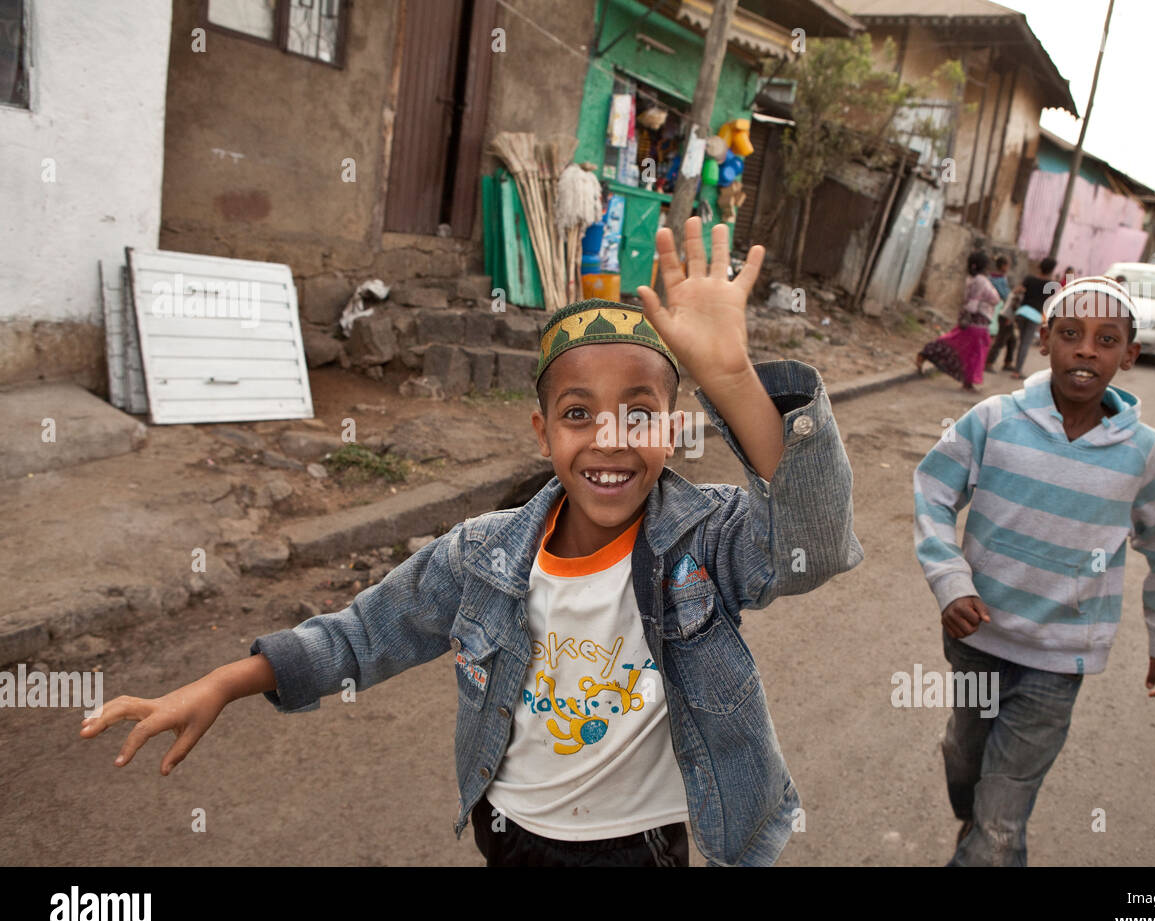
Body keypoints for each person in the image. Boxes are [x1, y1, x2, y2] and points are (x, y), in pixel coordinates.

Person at [79, 218, 865, 867]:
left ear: (672, 426)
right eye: (578, 413)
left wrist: (731, 378)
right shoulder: (482, 555)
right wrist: (225, 681)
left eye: (639, 411)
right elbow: (364, 636)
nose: (609, 440)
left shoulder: (704, 542)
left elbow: (811, 543)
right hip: (511, 834)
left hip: (641, 848)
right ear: (543, 431)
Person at [913, 275, 1155, 866]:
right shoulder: (994, 420)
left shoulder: (1144, 454)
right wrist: (950, 581)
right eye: (1071, 334)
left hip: (1058, 660)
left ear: (1130, 354)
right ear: (1044, 340)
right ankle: (975, 825)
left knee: (1001, 818)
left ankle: (984, 840)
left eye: (1106, 339)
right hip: (976, 642)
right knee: (964, 759)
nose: (1087, 349)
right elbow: (933, 493)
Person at [915, 250, 1002, 391]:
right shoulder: (980, 280)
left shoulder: (974, 279)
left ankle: (967, 381)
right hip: (977, 320)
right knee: (971, 349)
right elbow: (975, 301)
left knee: (962, 345)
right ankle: (927, 354)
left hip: (976, 320)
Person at [1009, 256, 1057, 378]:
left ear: (1040, 266)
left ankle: (1004, 362)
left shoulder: (1029, 278)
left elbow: (1017, 291)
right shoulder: (1051, 285)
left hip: (1021, 312)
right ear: (1052, 270)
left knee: (1014, 337)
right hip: (1034, 316)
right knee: (1025, 343)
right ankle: (1016, 371)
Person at [984, 255, 1018, 373]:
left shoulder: (992, 277)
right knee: (999, 338)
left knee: (1011, 339)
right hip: (1001, 310)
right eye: (1007, 265)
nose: (1008, 267)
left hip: (998, 309)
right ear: (1003, 266)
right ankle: (988, 362)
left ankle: (1007, 362)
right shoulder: (999, 279)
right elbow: (1005, 295)